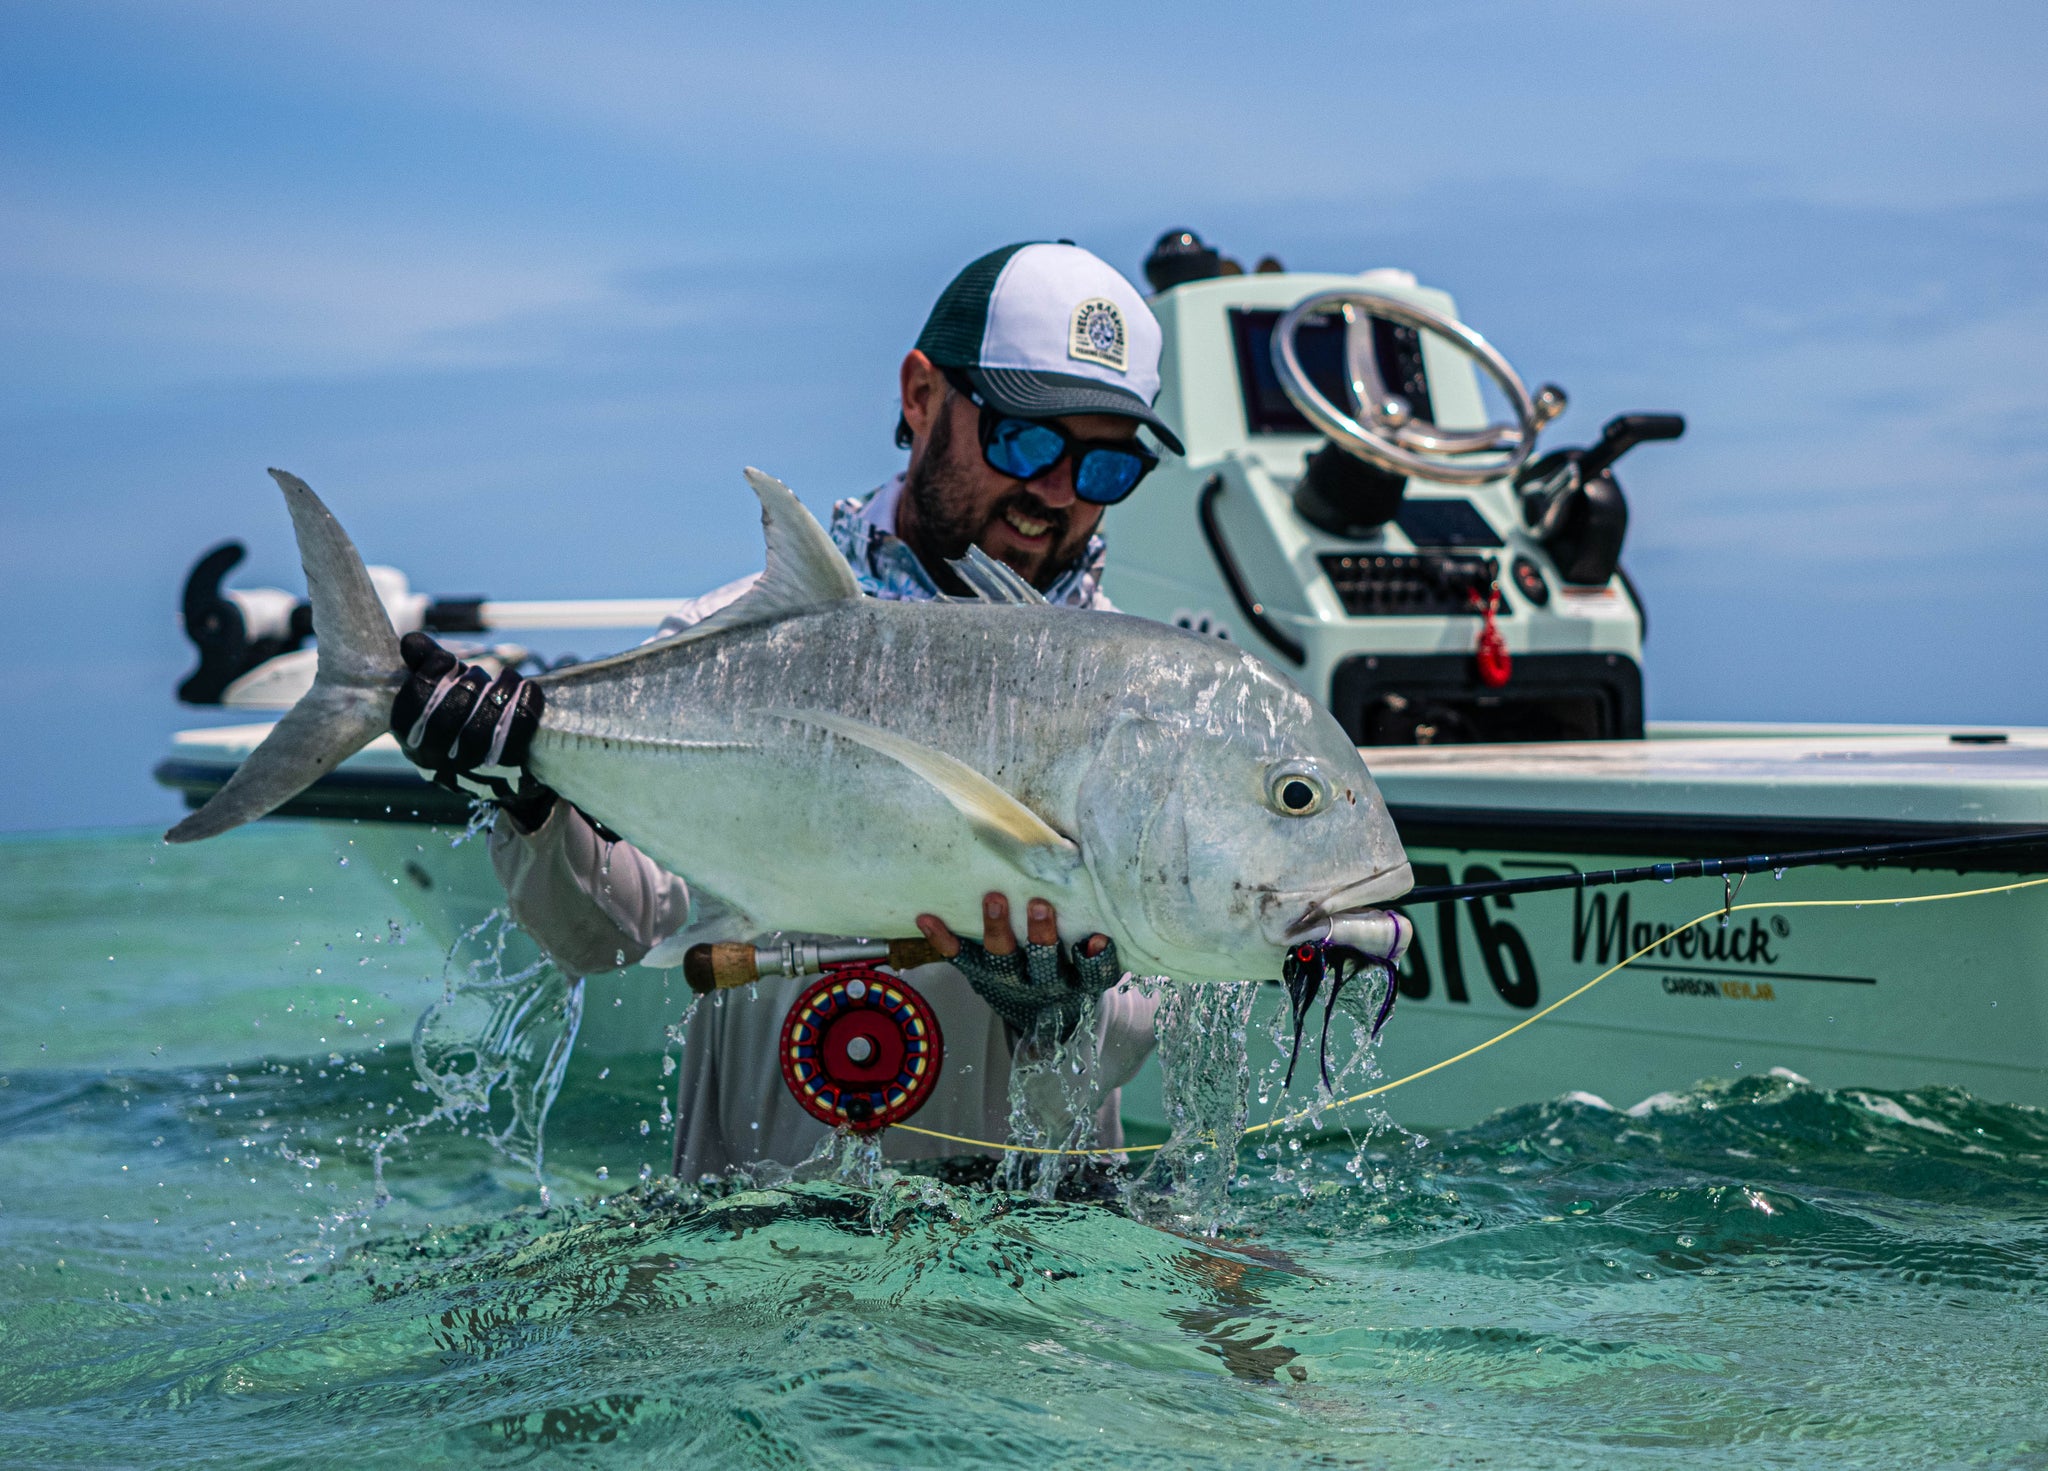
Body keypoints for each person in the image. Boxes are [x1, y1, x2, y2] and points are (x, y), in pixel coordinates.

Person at [389, 242, 1187, 1182]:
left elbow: (1172, 977)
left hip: (1031, 1261)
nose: (1055, 492)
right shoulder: (724, 647)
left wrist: (1065, 1009)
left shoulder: (1153, 706)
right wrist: (529, 802)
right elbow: (606, 933)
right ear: (921, 395)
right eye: (1025, 438)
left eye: (1104, 469)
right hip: (753, 1254)